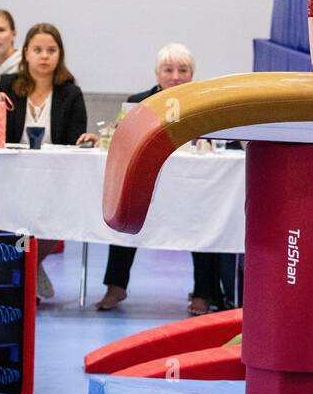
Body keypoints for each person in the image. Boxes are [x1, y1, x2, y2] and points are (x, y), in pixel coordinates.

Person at [96, 44, 243, 314]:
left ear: (192, 74)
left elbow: (233, 147)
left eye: (183, 70)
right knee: (125, 215)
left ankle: (203, 293)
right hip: (148, 184)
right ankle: (115, 286)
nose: (175, 76)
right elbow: (121, 139)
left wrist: (212, 141)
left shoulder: (208, 102)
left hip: (196, 187)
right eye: (168, 70)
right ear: (157, 74)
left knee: (207, 221)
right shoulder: (138, 103)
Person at [0, 22, 92, 300]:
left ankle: (25, 269)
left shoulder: (70, 93)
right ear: (25, 53)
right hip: (10, 175)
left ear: (59, 54)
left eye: (51, 50)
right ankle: (28, 272)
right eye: (38, 50)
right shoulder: (7, 86)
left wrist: (87, 139)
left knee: (57, 213)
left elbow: (75, 140)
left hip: (53, 179)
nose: (44, 56)